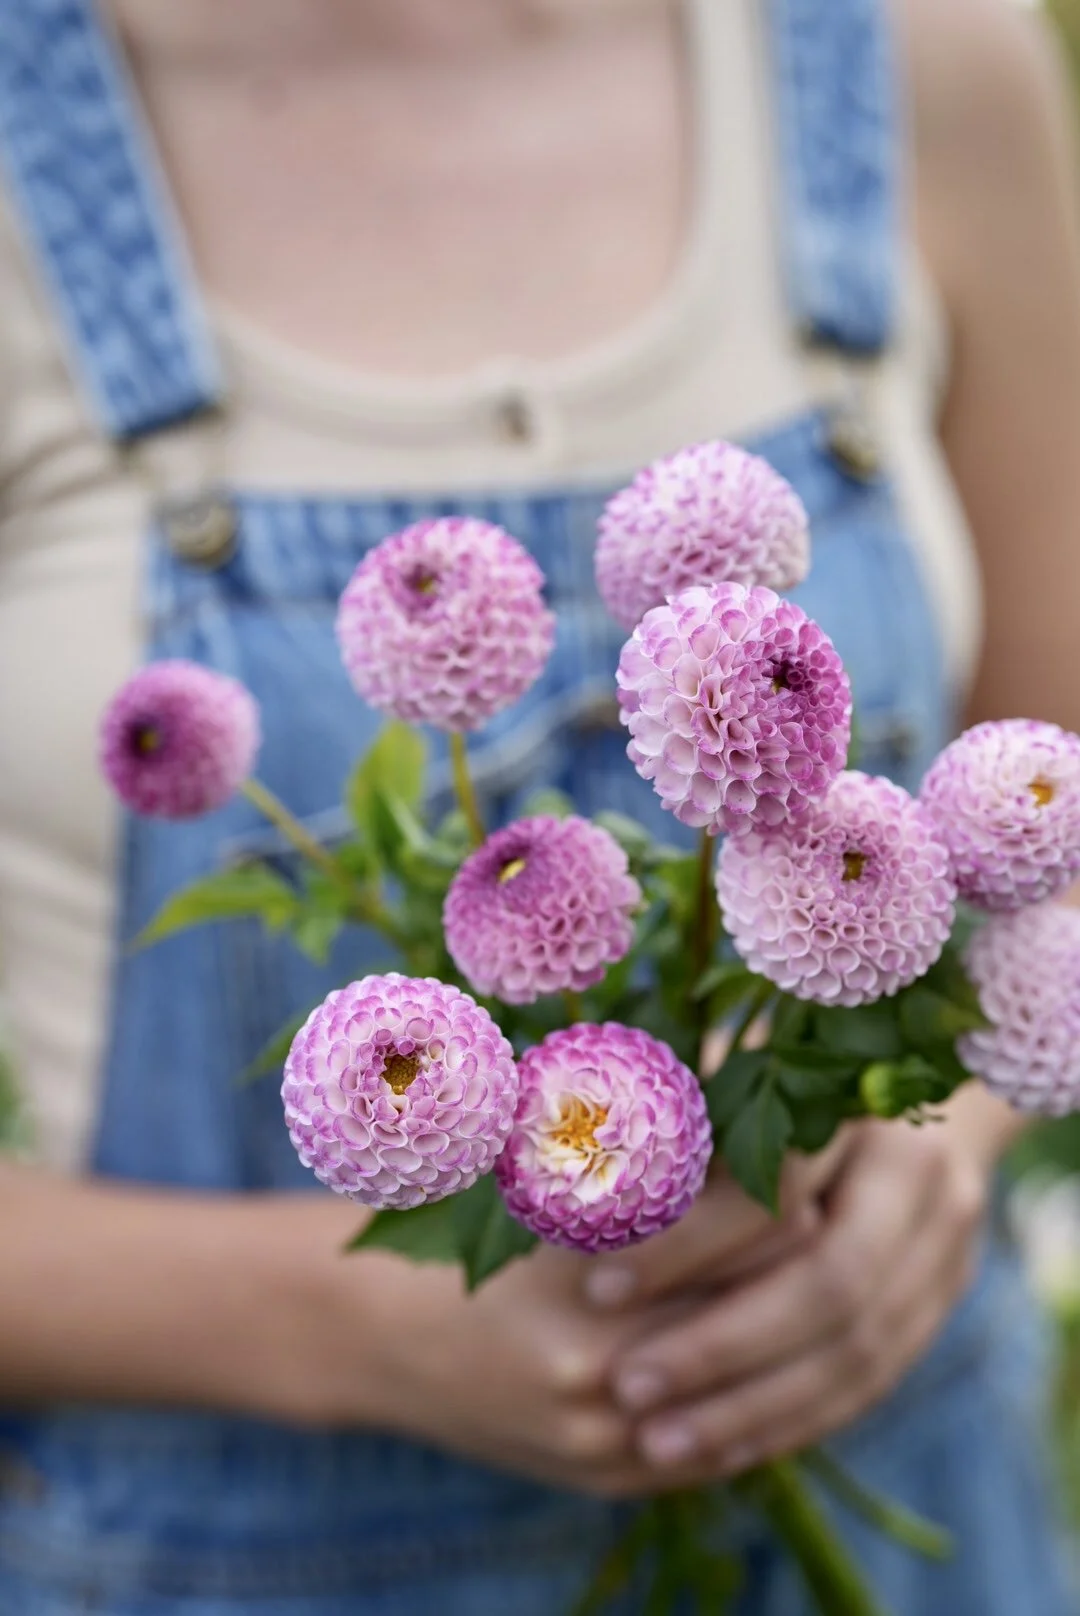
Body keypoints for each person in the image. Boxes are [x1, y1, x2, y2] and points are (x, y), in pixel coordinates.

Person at [0, 0, 1077, 1611]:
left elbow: (1055, 784)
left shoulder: (923, 52)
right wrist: (354, 1326)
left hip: (910, 1484)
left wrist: (943, 1151)